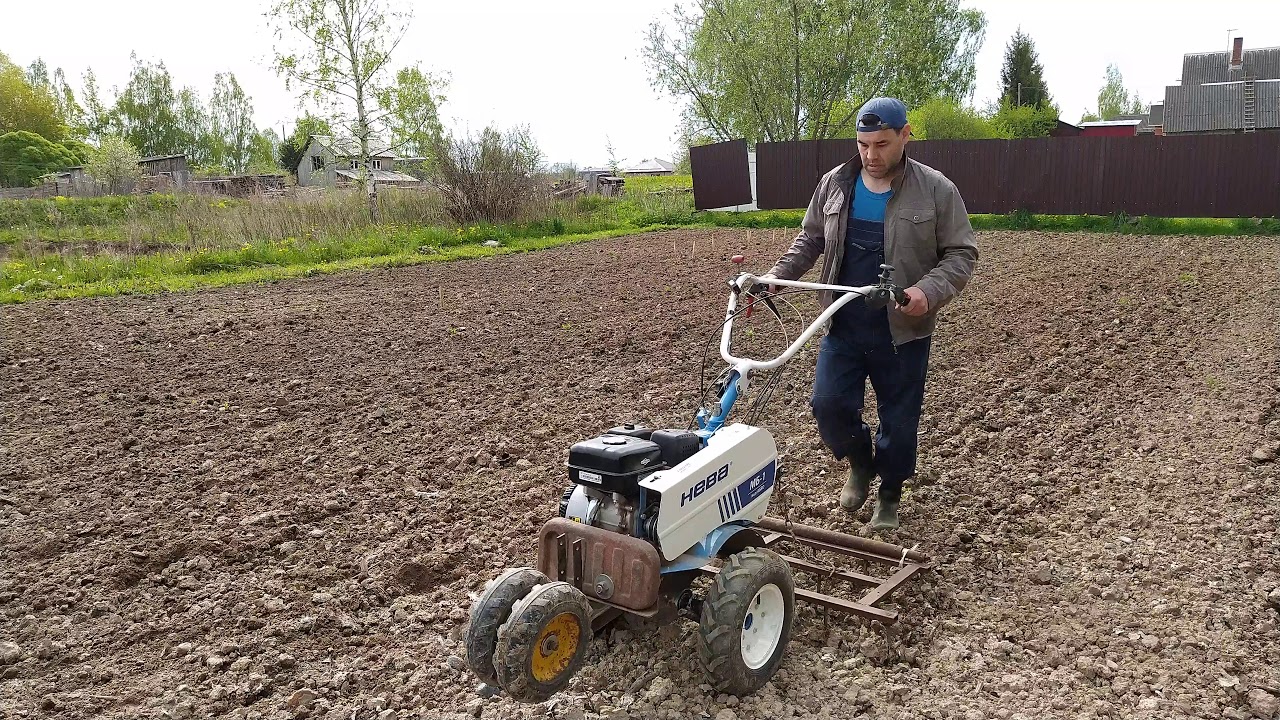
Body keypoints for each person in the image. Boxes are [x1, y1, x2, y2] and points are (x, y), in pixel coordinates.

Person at [757, 97, 978, 530]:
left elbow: (961, 254)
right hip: (844, 322)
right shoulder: (836, 184)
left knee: (899, 419)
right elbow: (811, 240)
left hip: (903, 329)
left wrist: (927, 292)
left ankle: (890, 495)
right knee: (828, 406)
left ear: (905, 135)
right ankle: (859, 462)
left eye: (881, 144)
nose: (871, 156)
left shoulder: (935, 189)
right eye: (863, 145)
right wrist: (777, 277)